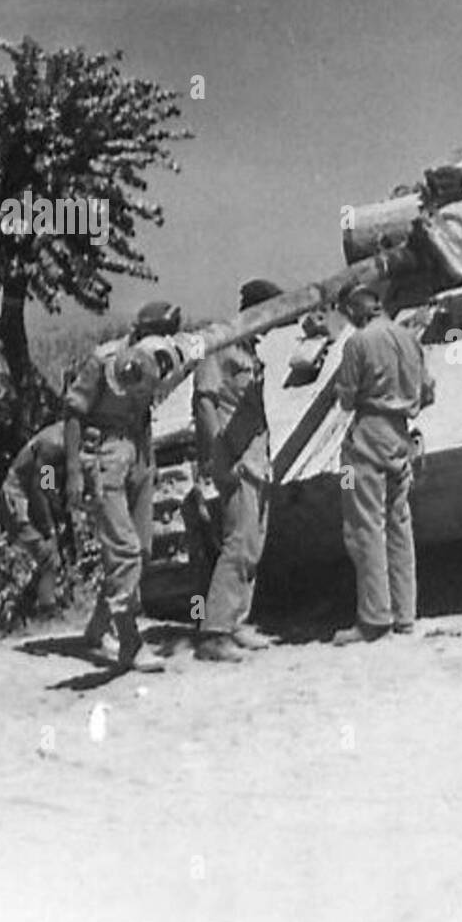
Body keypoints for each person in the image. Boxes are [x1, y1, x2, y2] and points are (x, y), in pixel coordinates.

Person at [64, 300, 183, 673]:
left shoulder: (163, 357)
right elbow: (73, 412)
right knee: (124, 550)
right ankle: (130, 643)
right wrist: (71, 471)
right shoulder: (105, 359)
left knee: (142, 550)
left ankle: (98, 628)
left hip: (140, 453)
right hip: (107, 456)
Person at [330, 282, 434, 645]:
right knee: (399, 524)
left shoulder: (357, 343)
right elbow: (428, 391)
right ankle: (405, 614)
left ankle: (374, 619)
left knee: (365, 527)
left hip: (367, 438)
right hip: (400, 437)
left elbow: (345, 399)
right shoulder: (409, 338)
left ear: (355, 310)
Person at [189, 278, 282, 662]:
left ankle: (238, 620)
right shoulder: (222, 348)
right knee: (237, 543)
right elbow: (205, 403)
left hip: (257, 459)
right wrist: (217, 458)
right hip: (236, 461)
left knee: (252, 545)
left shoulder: (248, 352)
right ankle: (214, 632)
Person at [0, 420, 69, 623]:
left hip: (32, 497)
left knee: (51, 556)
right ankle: (47, 611)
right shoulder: (53, 444)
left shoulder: (62, 440)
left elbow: (49, 487)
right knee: (48, 554)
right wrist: (49, 529)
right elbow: (41, 489)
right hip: (19, 498)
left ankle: (25, 607)